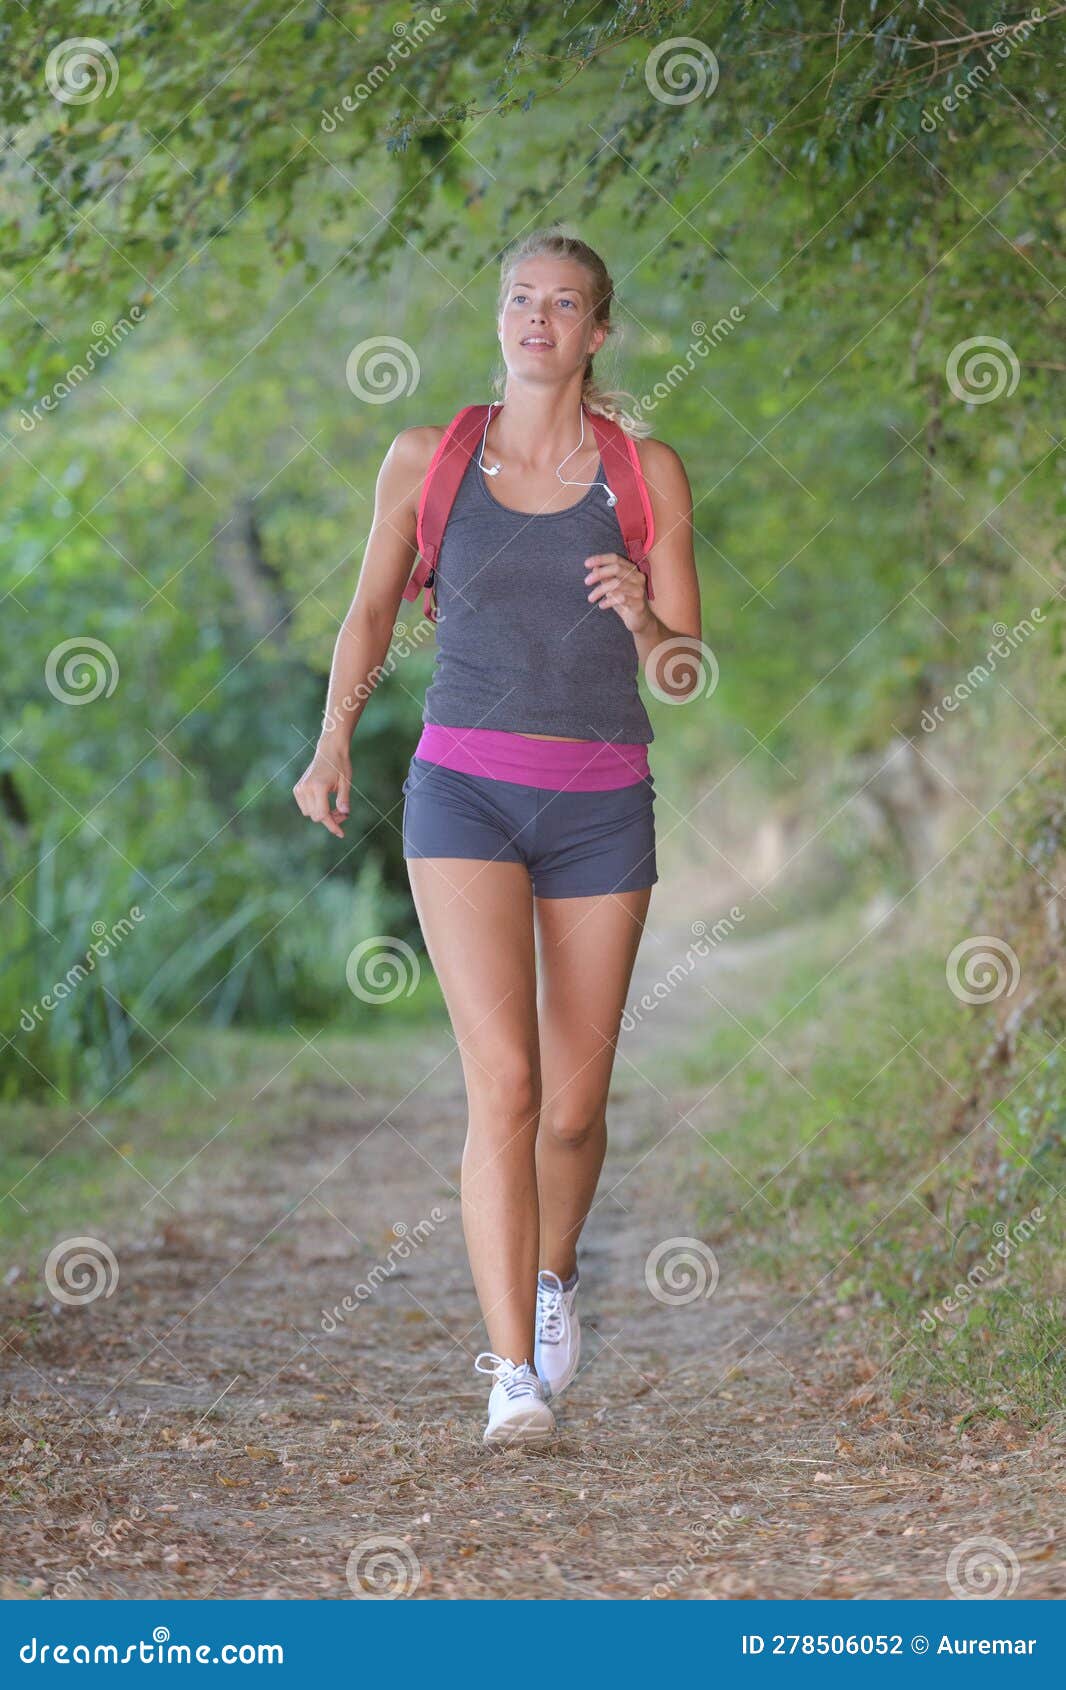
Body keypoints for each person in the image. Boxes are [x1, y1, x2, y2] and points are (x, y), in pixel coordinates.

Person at [294, 229, 701, 1446]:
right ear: (500, 320)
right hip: (458, 792)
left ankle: (553, 1274)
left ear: (596, 333)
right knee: (507, 1086)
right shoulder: (429, 459)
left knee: (574, 1106)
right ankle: (511, 1375)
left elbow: (683, 670)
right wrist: (328, 745)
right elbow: (368, 615)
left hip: (599, 803)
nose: (538, 319)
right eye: (521, 299)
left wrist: (644, 616)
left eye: (564, 304)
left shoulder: (644, 471)